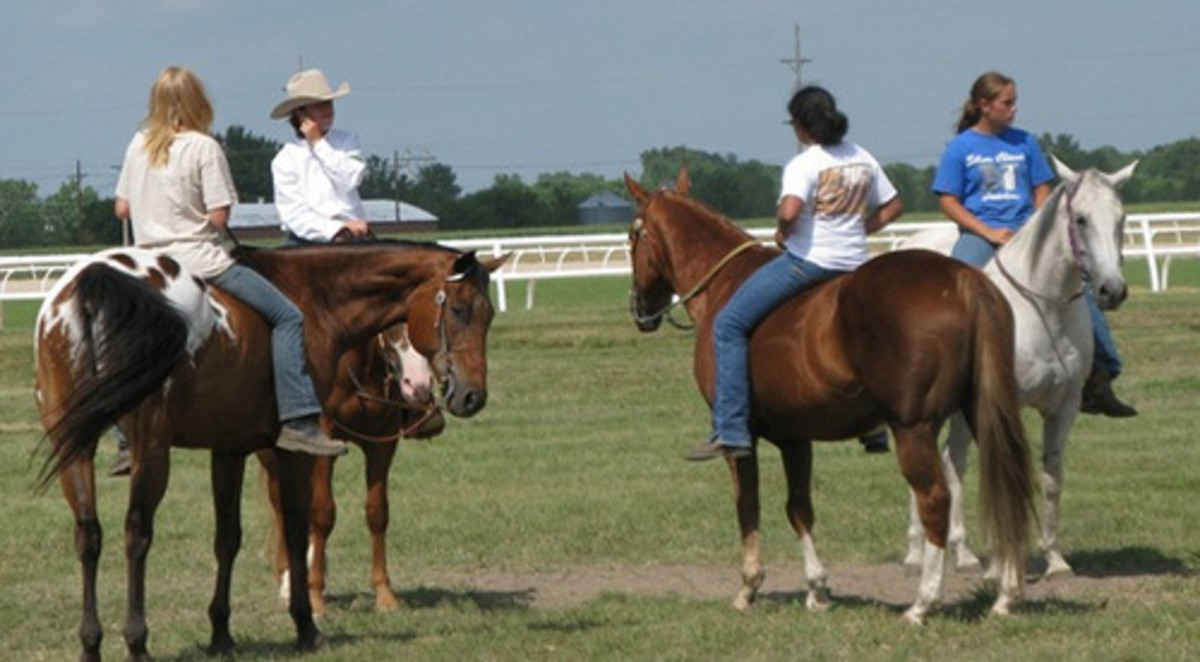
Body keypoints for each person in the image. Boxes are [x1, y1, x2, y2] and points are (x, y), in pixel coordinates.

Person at [114, 66, 348, 456]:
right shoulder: (204, 146)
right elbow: (219, 217)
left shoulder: (137, 144)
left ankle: (125, 436)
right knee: (288, 317)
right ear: (197, 101)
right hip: (199, 260)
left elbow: (122, 208)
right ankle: (298, 419)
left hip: (147, 263)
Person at [688, 86, 904, 461]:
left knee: (728, 324)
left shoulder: (804, 164)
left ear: (802, 127)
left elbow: (789, 210)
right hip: (855, 263)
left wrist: (784, 232)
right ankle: (874, 428)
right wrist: (859, 230)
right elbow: (894, 205)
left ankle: (731, 428)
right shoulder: (861, 156)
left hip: (810, 262)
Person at [931, 71, 1136, 417]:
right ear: (985, 105)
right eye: (1007, 102)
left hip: (1026, 235)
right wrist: (987, 232)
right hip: (981, 236)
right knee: (957, 291)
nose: (1014, 109)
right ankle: (950, 377)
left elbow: (1042, 188)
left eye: (1014, 102)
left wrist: (1036, 226)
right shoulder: (961, 147)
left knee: (1081, 290)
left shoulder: (1025, 142)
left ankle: (1101, 376)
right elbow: (948, 200)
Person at [270, 69, 371, 244]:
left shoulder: (347, 141)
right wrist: (336, 230)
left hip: (355, 235)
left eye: (329, 103)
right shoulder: (285, 160)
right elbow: (294, 215)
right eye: (319, 105)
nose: (327, 110)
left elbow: (352, 179)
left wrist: (318, 144)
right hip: (307, 242)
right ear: (300, 113)